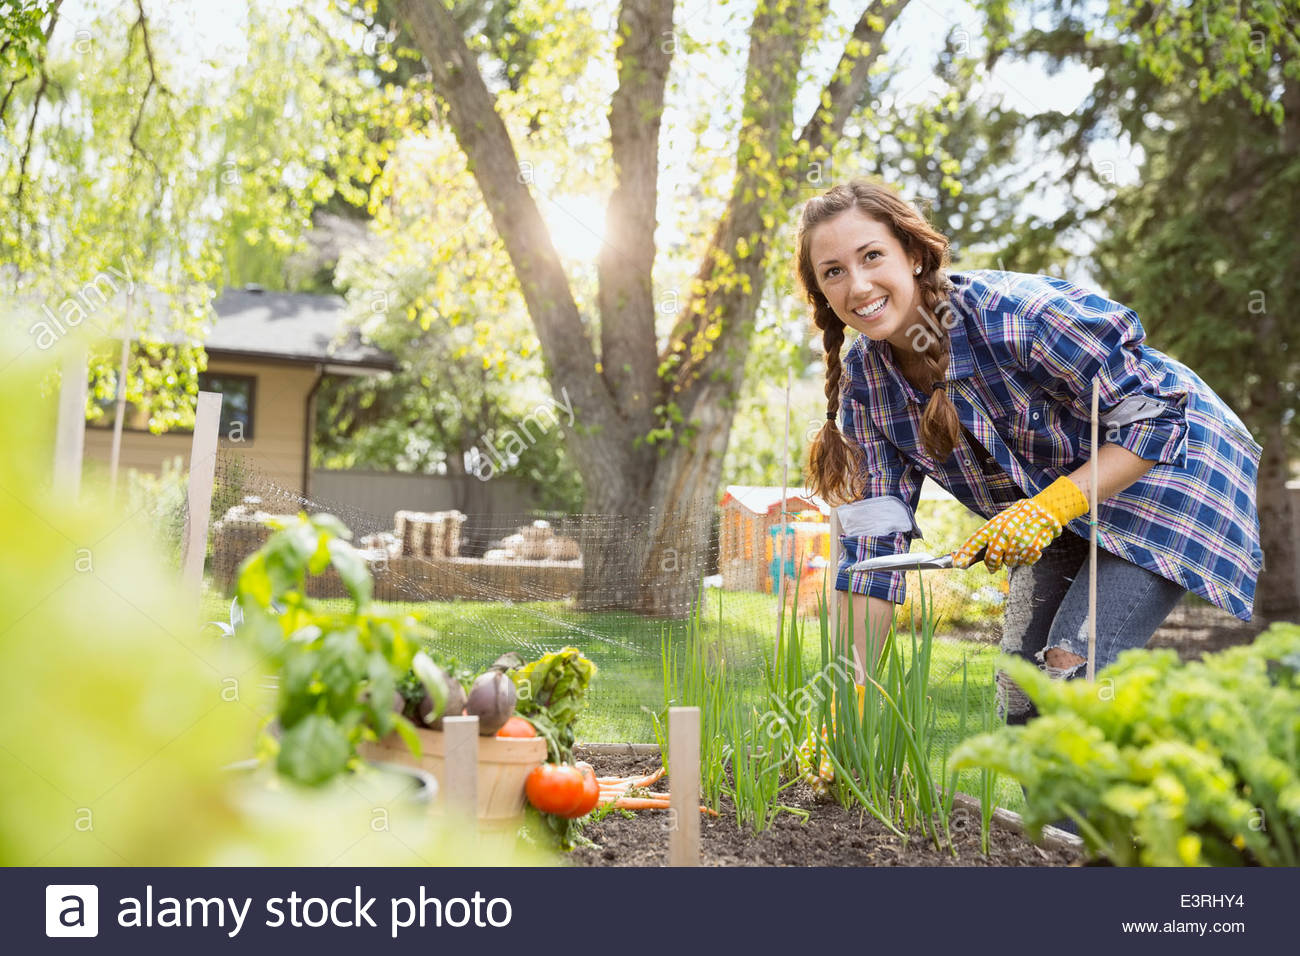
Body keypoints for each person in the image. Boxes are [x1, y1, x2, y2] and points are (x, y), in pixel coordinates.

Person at [798, 179, 1263, 736]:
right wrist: (842, 706)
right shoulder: (868, 388)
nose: (859, 284)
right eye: (834, 272)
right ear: (822, 292)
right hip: (1060, 499)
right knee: (1022, 688)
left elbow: (1157, 417)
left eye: (872, 256)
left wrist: (1049, 508)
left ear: (915, 255)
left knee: (1074, 665)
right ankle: (1056, 826)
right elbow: (872, 553)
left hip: (1173, 466)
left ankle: (1136, 812)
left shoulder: (1013, 317)